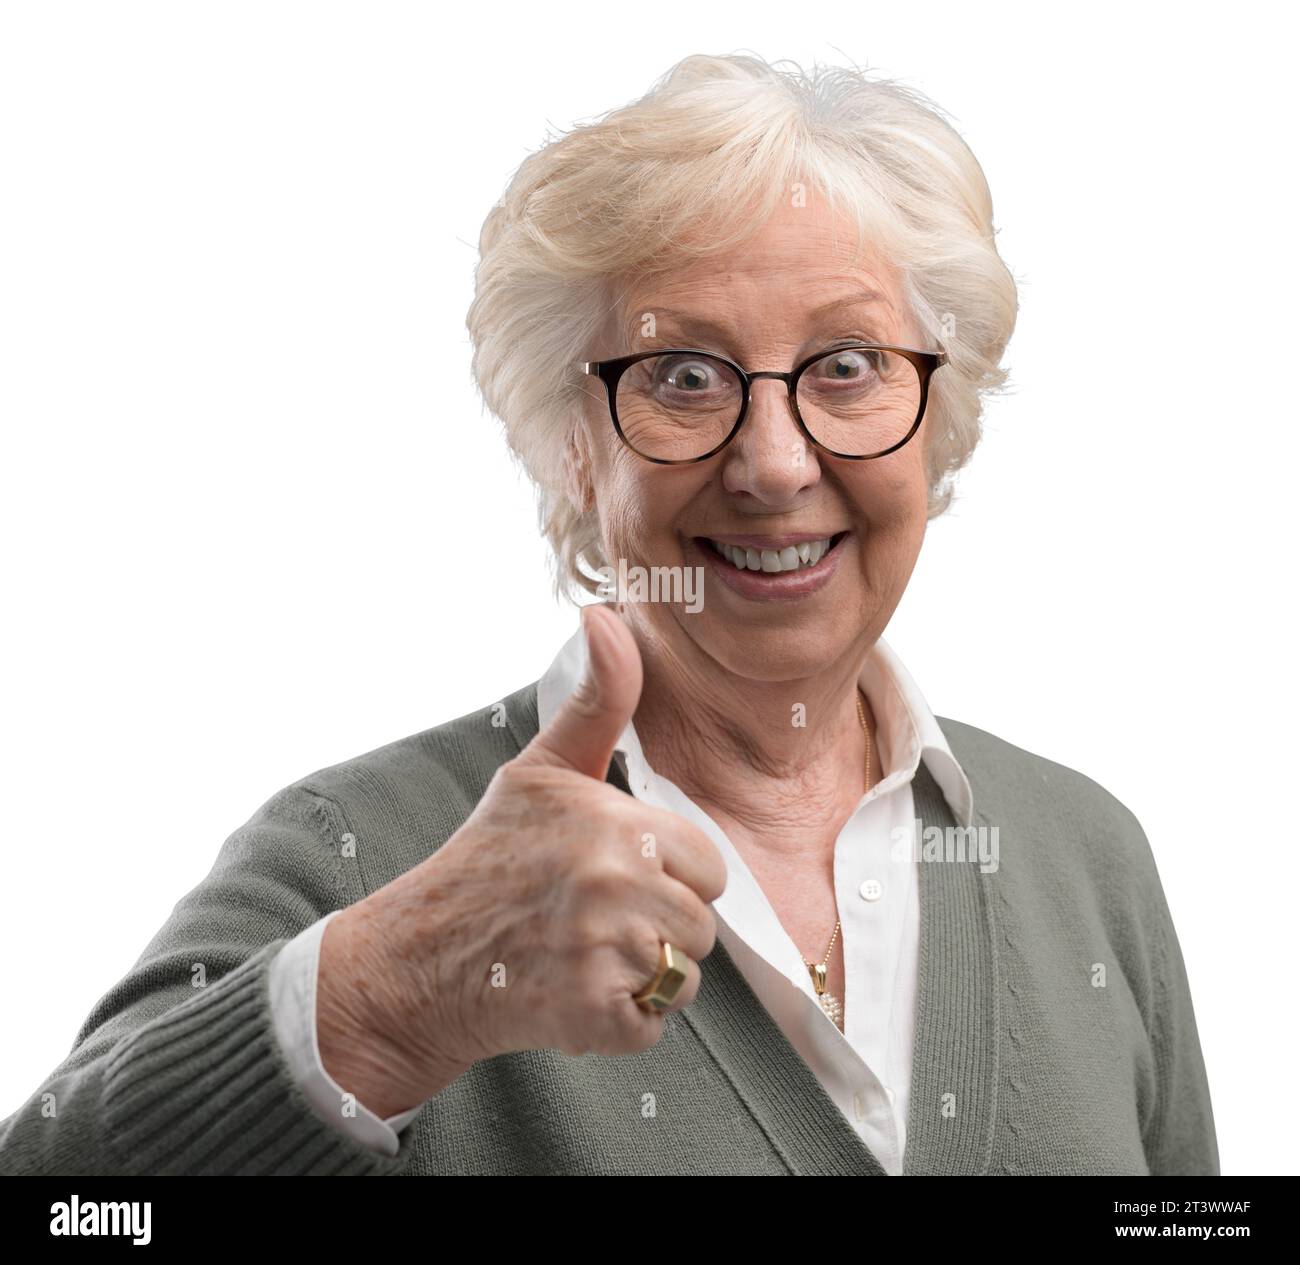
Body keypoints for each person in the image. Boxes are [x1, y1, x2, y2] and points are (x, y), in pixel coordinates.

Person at [0, 52, 1217, 1176]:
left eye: (847, 364)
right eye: (683, 376)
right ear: (568, 448)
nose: (776, 463)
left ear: (937, 418)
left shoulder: (1086, 853)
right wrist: (393, 992)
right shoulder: (358, 851)